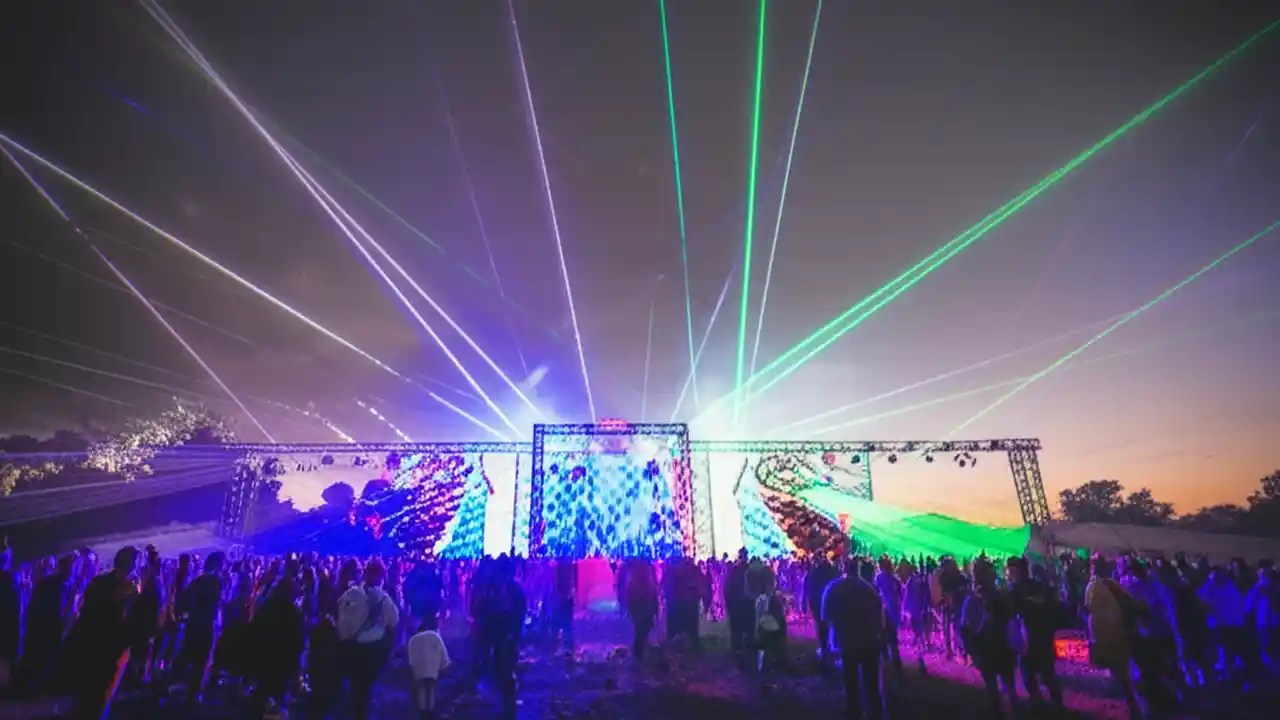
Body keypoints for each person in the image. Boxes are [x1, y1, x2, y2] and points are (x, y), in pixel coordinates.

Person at [60, 546, 141, 720]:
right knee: (100, 695)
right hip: (109, 650)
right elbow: (125, 620)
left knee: (85, 692)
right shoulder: (127, 590)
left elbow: (85, 611)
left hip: (90, 645)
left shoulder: (98, 582)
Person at [822, 559, 884, 720]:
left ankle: (855, 713)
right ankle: (875, 713)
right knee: (872, 684)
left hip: (846, 641)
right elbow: (879, 616)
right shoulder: (868, 589)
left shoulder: (834, 588)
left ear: (843, 569)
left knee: (851, 683)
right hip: (869, 640)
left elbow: (825, 616)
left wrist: (829, 643)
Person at [337, 558, 399, 720]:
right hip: (372, 650)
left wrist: (344, 639)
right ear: (381, 577)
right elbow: (393, 621)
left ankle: (358, 711)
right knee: (364, 688)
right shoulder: (384, 599)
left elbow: (341, 618)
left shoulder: (351, 594)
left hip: (352, 648)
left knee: (357, 687)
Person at [1006, 557, 1064, 713]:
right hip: (1038, 637)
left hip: (1034, 638)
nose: (1010, 573)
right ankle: (1045, 702)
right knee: (1040, 673)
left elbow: (1012, 613)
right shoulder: (1039, 588)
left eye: (1012, 570)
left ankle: (1045, 702)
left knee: (1036, 673)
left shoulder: (1016, 591)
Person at [1085, 554, 1139, 718]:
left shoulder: (1104, 585)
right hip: (1109, 633)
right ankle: (1132, 703)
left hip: (1114, 633)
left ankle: (1134, 704)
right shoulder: (1101, 585)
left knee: (1122, 670)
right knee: (1120, 670)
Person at [407, 614, 451, 720]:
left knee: (422, 689)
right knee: (431, 689)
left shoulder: (412, 639)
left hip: (418, 670)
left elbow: (410, 658)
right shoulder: (435, 636)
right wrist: (444, 666)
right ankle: (430, 711)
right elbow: (443, 653)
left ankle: (422, 712)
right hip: (433, 670)